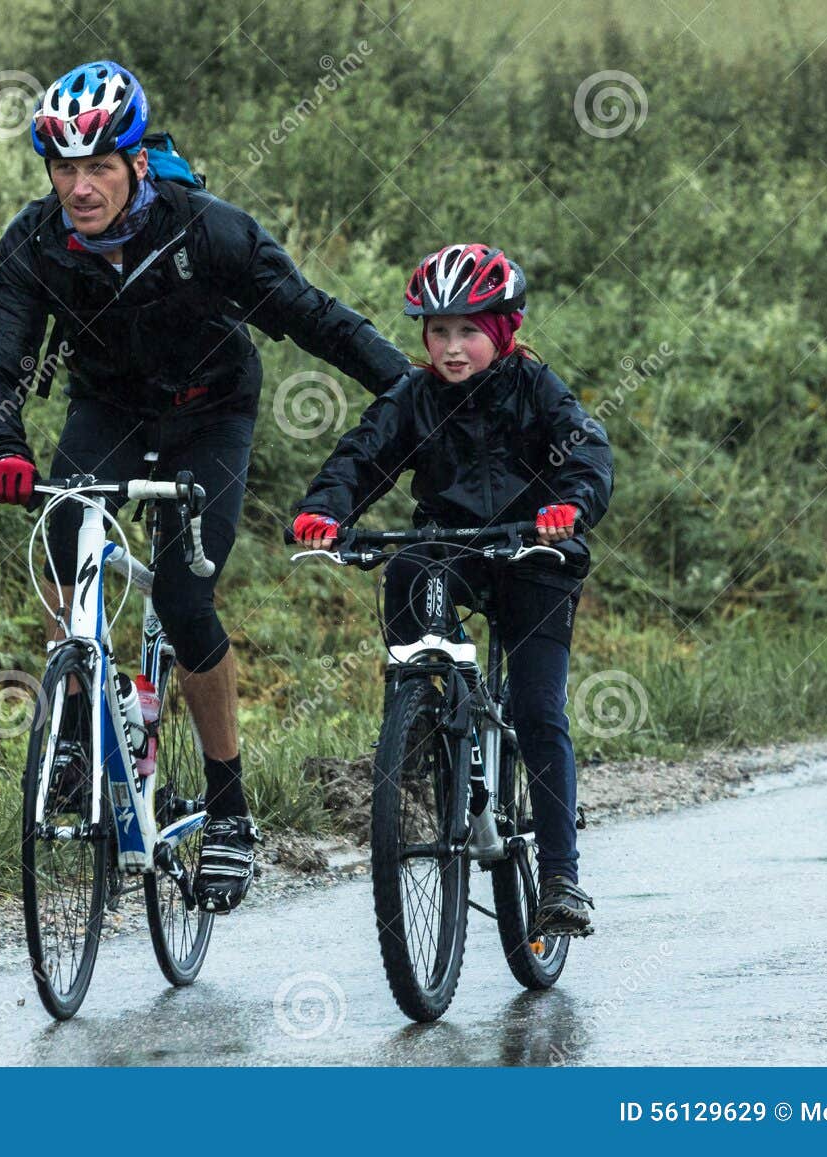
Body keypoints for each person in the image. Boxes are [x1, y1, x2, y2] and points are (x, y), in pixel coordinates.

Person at [0, 60, 412, 912]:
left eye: (99, 167)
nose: (81, 187)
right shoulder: (35, 241)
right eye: (65, 170)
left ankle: (231, 806)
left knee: (181, 592)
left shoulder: (208, 230)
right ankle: (80, 721)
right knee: (62, 529)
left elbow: (310, 314)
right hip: (111, 408)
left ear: (136, 161)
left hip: (212, 413)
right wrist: (0, 443)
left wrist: (408, 388)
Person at [290, 244, 613, 934]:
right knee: (409, 572)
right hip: (453, 546)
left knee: (536, 707)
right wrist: (327, 510)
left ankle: (561, 877)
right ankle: (433, 705)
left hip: (535, 552)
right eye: (438, 331)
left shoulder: (535, 388)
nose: (452, 347)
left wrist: (570, 506)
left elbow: (586, 448)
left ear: (502, 330)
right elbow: (363, 453)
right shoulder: (414, 395)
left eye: (468, 330)